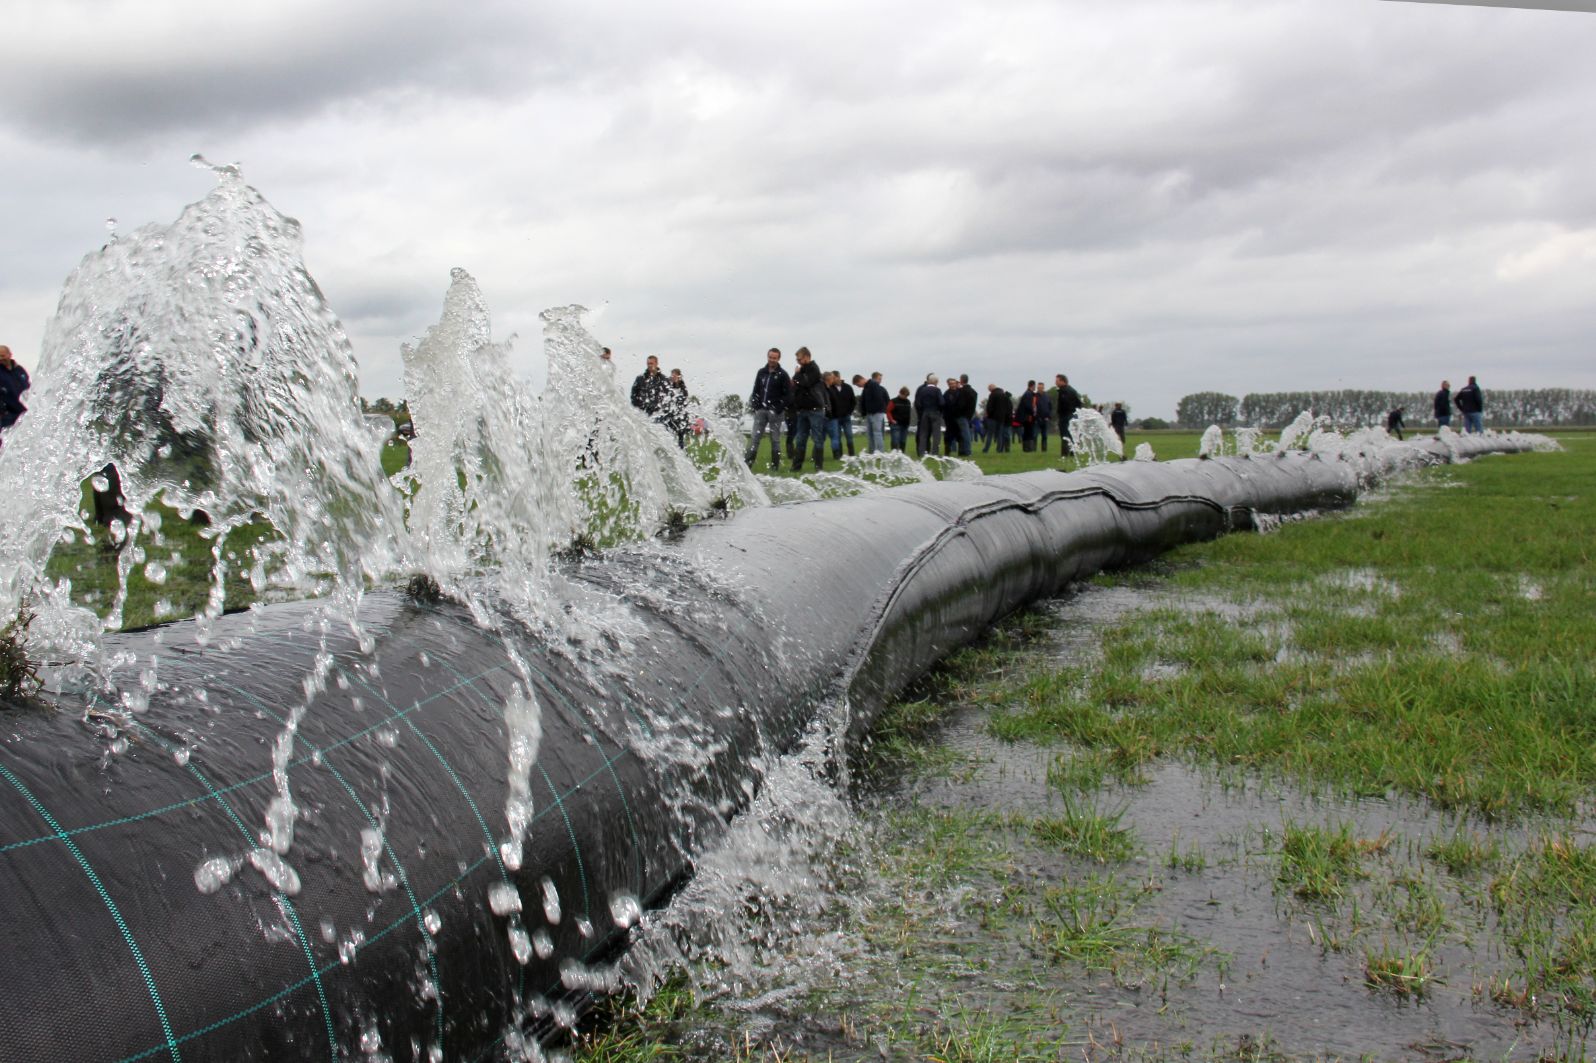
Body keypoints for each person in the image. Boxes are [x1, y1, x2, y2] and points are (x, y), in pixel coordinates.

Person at [745, 348, 790, 470]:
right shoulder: (761, 373)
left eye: (774, 358)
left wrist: (778, 409)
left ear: (778, 359)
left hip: (776, 413)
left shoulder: (783, 375)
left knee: (775, 440)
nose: (772, 360)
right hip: (761, 411)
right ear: (767, 357)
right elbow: (755, 391)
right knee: (755, 438)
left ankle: (775, 466)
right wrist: (756, 406)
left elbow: (788, 396)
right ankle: (748, 464)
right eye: (770, 357)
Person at [789, 347, 828, 471]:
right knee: (800, 439)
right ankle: (796, 467)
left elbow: (806, 383)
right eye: (797, 359)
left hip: (815, 409)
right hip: (802, 410)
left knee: (817, 438)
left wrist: (796, 375)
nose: (798, 361)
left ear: (806, 357)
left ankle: (818, 468)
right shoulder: (803, 370)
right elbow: (796, 384)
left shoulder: (814, 369)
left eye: (799, 358)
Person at [0, 345, 30, 442]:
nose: (1, 359)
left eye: (3, 355)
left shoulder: (19, 370)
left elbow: (29, 387)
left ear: (10, 354)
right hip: (6, 418)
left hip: (24, 414)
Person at [630, 355, 670, 424]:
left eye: (651, 363)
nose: (650, 365)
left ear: (656, 364)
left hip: (659, 415)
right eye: (648, 363)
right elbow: (633, 395)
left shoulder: (664, 380)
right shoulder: (640, 379)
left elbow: (669, 396)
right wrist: (639, 407)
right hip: (644, 413)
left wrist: (664, 409)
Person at [856, 372, 889, 454]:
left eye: (858, 384)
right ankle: (871, 453)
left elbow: (879, 399)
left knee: (877, 433)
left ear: (860, 380)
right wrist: (863, 413)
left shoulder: (873, 385)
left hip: (876, 413)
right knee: (870, 434)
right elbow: (863, 401)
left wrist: (876, 410)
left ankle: (880, 453)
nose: (858, 386)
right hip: (869, 414)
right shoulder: (866, 388)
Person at [827, 372, 857, 458]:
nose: (832, 380)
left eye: (833, 378)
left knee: (849, 436)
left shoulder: (848, 387)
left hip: (846, 417)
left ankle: (852, 454)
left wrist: (849, 412)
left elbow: (853, 402)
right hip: (834, 418)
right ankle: (837, 455)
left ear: (838, 377)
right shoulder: (830, 388)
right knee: (836, 436)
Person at [914, 374, 943, 456]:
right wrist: (940, 411)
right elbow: (942, 402)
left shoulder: (922, 390)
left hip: (925, 413)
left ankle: (921, 452)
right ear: (936, 382)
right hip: (935, 412)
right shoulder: (937, 390)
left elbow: (918, 403)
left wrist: (922, 412)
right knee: (936, 434)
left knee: (923, 433)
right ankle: (934, 452)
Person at [1055, 373, 1082, 455]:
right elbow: (1079, 403)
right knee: (1072, 434)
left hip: (1066, 416)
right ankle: (1073, 452)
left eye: (1057, 381)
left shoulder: (1064, 391)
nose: (1055, 383)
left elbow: (1065, 404)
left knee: (1065, 435)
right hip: (1072, 415)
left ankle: (1065, 453)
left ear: (1062, 381)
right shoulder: (1072, 390)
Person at [951, 376, 977, 457]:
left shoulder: (962, 391)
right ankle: (962, 450)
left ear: (961, 380)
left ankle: (967, 451)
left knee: (965, 433)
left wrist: (955, 412)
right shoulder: (973, 392)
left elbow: (960, 404)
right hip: (969, 415)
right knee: (965, 433)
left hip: (961, 415)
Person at [984, 384, 1013, 453]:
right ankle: (999, 449)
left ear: (991, 389)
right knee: (1000, 434)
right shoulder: (1004, 395)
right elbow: (1008, 407)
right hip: (1001, 418)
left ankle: (986, 449)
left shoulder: (992, 395)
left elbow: (989, 407)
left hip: (993, 418)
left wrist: (989, 415)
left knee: (990, 435)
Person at [665, 369, 691, 447]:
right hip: (670, 414)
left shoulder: (683, 387)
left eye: (674, 375)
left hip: (680, 416)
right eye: (672, 375)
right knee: (668, 432)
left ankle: (681, 451)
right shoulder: (669, 386)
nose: (672, 377)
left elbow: (684, 399)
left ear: (678, 376)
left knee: (680, 436)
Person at [888, 386, 913, 452]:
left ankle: (902, 454)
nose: (905, 397)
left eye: (907, 396)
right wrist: (891, 420)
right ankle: (894, 455)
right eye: (904, 395)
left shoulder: (908, 402)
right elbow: (888, 411)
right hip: (896, 424)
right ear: (900, 393)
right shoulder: (893, 401)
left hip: (905, 425)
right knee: (895, 441)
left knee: (903, 441)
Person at [1016, 381, 1038, 451]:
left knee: (1027, 432)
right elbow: (1028, 406)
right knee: (1029, 432)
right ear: (1032, 386)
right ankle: (1029, 448)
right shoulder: (1028, 394)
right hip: (1028, 416)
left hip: (1026, 416)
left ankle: (1026, 448)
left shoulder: (1027, 393)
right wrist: (1033, 412)